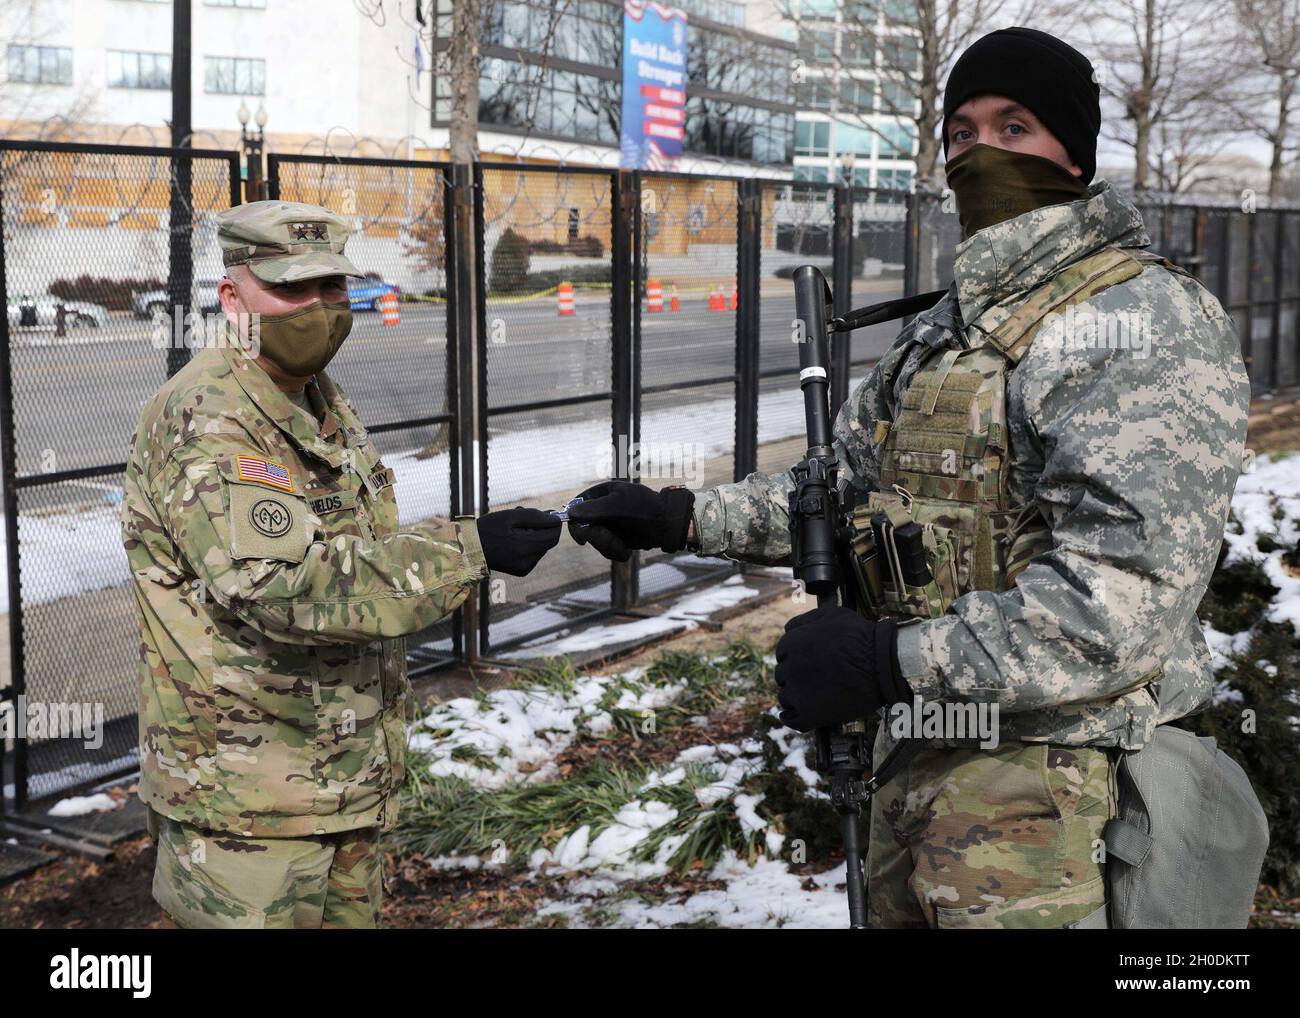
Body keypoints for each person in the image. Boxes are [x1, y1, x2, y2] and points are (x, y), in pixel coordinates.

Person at [565, 28, 1250, 928]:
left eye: (1016, 128)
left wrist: (892, 659)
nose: (982, 153)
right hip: (924, 749)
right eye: (961, 134)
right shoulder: (950, 329)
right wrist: (686, 516)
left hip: (1057, 791)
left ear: (1074, 154)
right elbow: (850, 491)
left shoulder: (1136, 320)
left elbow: (1118, 605)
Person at [121, 200, 560, 928]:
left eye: (331, 288)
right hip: (249, 811)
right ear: (233, 298)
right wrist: (468, 550)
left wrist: (468, 543)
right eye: (291, 290)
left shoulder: (320, 398)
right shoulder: (209, 417)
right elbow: (285, 590)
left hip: (343, 787)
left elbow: (347, 549)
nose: (318, 309)